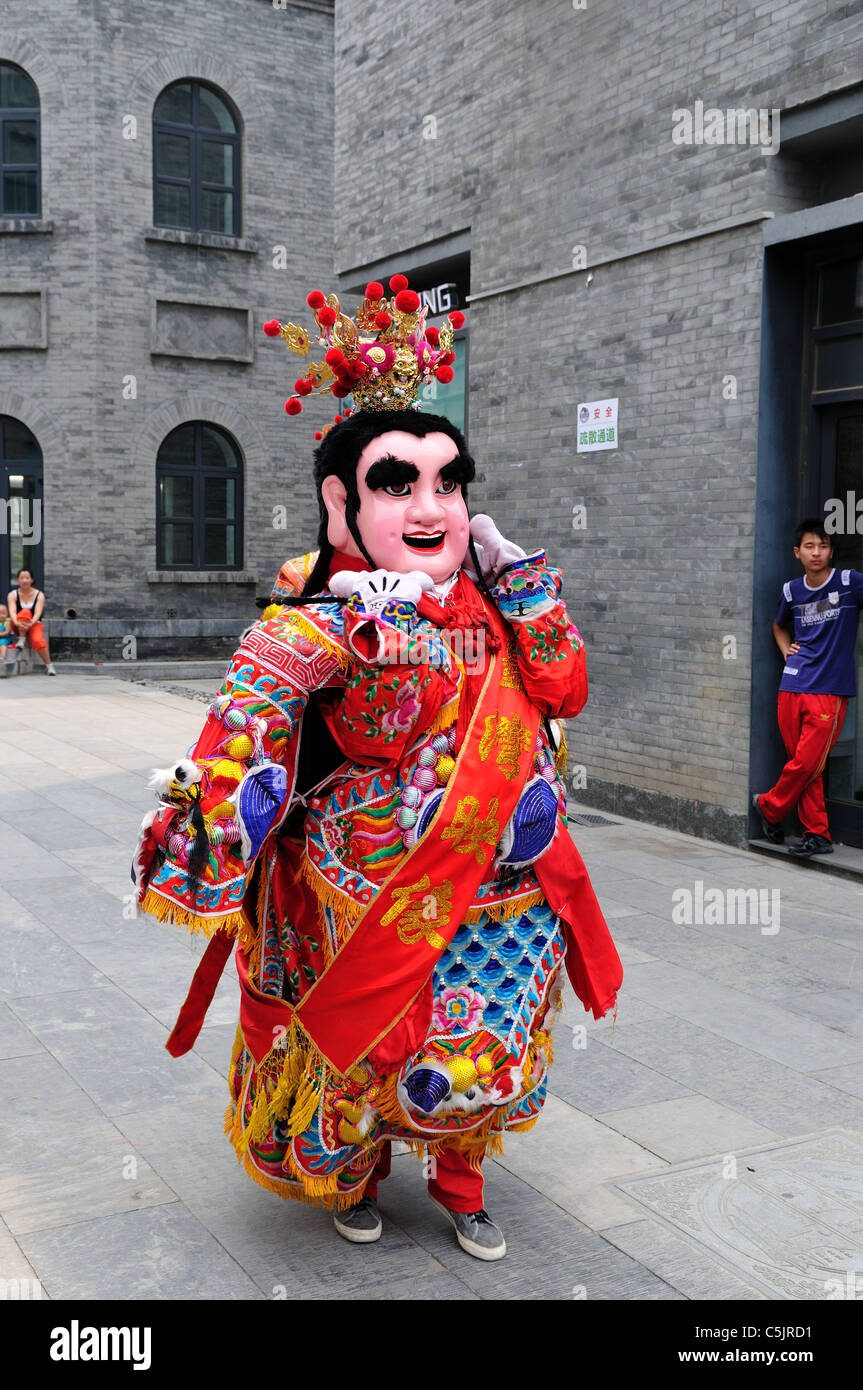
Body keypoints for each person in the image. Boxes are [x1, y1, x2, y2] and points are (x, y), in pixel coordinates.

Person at [133, 275, 622, 1261]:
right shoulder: (316, 617)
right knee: (356, 1048)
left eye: (447, 482)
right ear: (342, 497)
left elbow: (565, 688)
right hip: (357, 882)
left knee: (477, 1042)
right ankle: (352, 1173)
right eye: (397, 483)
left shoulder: (499, 603)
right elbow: (239, 733)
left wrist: (521, 584)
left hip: (498, 878)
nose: (430, 504)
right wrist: (231, 802)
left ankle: (460, 1178)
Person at [753, 517, 863, 857]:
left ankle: (769, 807)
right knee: (803, 764)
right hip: (792, 686)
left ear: (831, 551)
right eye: (810, 546)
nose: (817, 552)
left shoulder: (848, 582)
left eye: (824, 545)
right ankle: (818, 834)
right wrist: (786, 648)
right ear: (797, 552)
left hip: (828, 689)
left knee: (807, 764)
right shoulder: (791, 590)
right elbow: (777, 625)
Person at [7, 569, 56, 675]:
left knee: (38, 641)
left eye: (27, 578)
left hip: (34, 623)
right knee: (24, 612)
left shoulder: (39, 595)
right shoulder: (12, 594)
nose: (24, 580)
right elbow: (12, 611)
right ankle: (22, 638)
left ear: (32, 580)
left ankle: (49, 666)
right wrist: (16, 622)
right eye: (22, 578)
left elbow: (38, 612)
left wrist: (31, 623)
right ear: (18, 580)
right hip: (17, 624)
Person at [0, 603, 15, 675]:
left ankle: (3, 657)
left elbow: (7, 632)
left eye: (3, 613)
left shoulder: (7, 623)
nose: (1, 615)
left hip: (5, 638)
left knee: (3, 642)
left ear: (7, 614)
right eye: (0, 613)